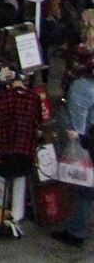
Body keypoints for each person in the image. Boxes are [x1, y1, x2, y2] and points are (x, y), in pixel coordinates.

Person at [56, 45, 94, 247]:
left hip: (87, 143)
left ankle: (75, 232)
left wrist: (78, 139)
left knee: (84, 189)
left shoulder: (82, 85)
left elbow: (79, 122)